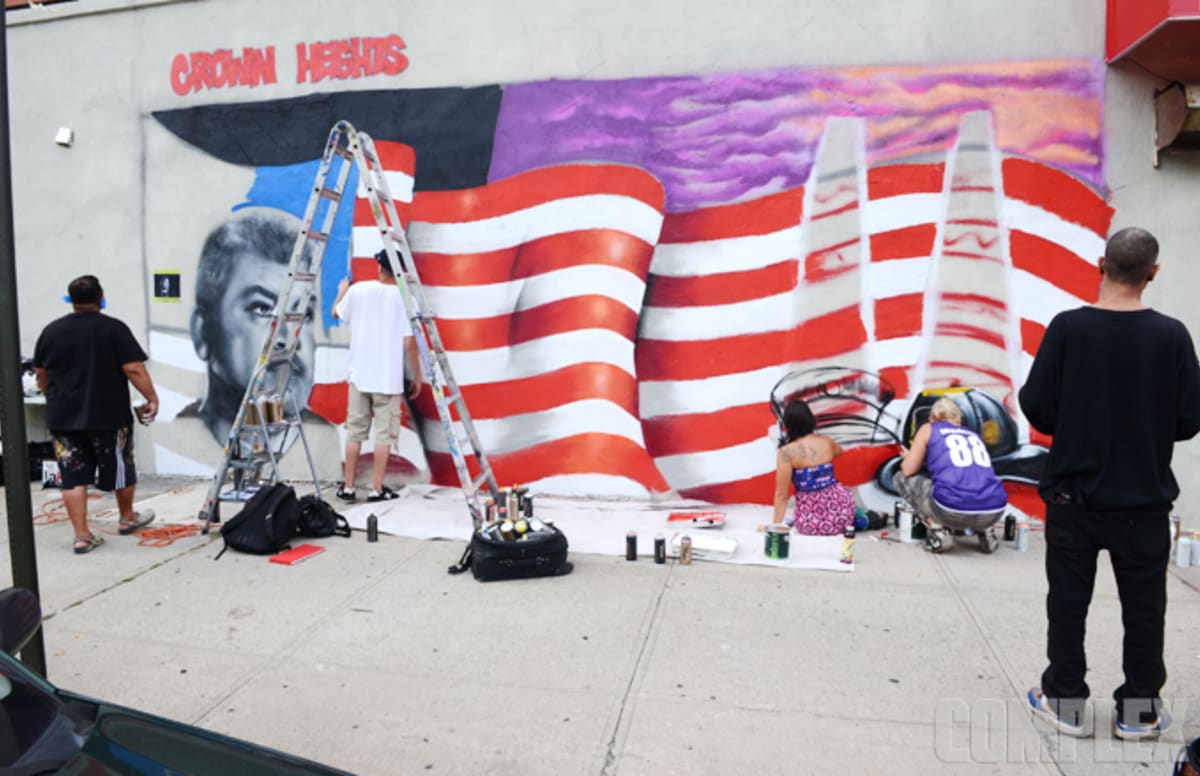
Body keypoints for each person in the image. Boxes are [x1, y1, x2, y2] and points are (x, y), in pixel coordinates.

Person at [1019, 226, 1200, 741]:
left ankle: (1067, 702)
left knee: (1068, 601)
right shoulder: (1172, 336)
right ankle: (1139, 713)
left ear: (1101, 265)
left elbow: (1038, 408)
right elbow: (1189, 419)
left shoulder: (1068, 329)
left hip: (1073, 495)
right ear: (1153, 273)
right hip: (1142, 499)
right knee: (1145, 608)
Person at [166, 210, 342, 480]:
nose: (287, 337)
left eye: (302, 313)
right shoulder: (174, 437)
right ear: (203, 332)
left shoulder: (326, 440)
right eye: (262, 308)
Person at [33, 275, 158, 554]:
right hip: (108, 416)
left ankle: (81, 536)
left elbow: (42, 373)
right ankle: (126, 519)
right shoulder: (113, 329)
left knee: (72, 475)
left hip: (64, 418)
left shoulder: (51, 331)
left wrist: (49, 394)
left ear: (71, 300)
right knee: (120, 467)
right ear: (101, 297)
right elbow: (133, 368)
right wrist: (151, 397)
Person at [331, 249, 422, 503]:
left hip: (359, 376)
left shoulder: (358, 290)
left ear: (380, 268)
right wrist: (417, 375)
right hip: (387, 379)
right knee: (384, 436)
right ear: (400, 271)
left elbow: (336, 312)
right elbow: (408, 344)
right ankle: (376, 489)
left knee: (355, 432)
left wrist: (342, 290)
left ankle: (348, 487)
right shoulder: (406, 299)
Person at [892, 396, 1008, 552]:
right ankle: (986, 531)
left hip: (951, 511)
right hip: (994, 510)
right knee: (974, 487)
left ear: (931, 418)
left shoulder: (928, 428)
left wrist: (909, 457)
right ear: (958, 419)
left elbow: (908, 470)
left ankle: (938, 532)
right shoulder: (972, 434)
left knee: (900, 478)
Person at [770, 399, 855, 535]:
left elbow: (782, 495)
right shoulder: (826, 442)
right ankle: (862, 519)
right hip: (843, 513)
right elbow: (839, 452)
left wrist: (774, 526)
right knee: (852, 502)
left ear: (787, 425)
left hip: (811, 524)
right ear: (810, 420)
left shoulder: (786, 453)